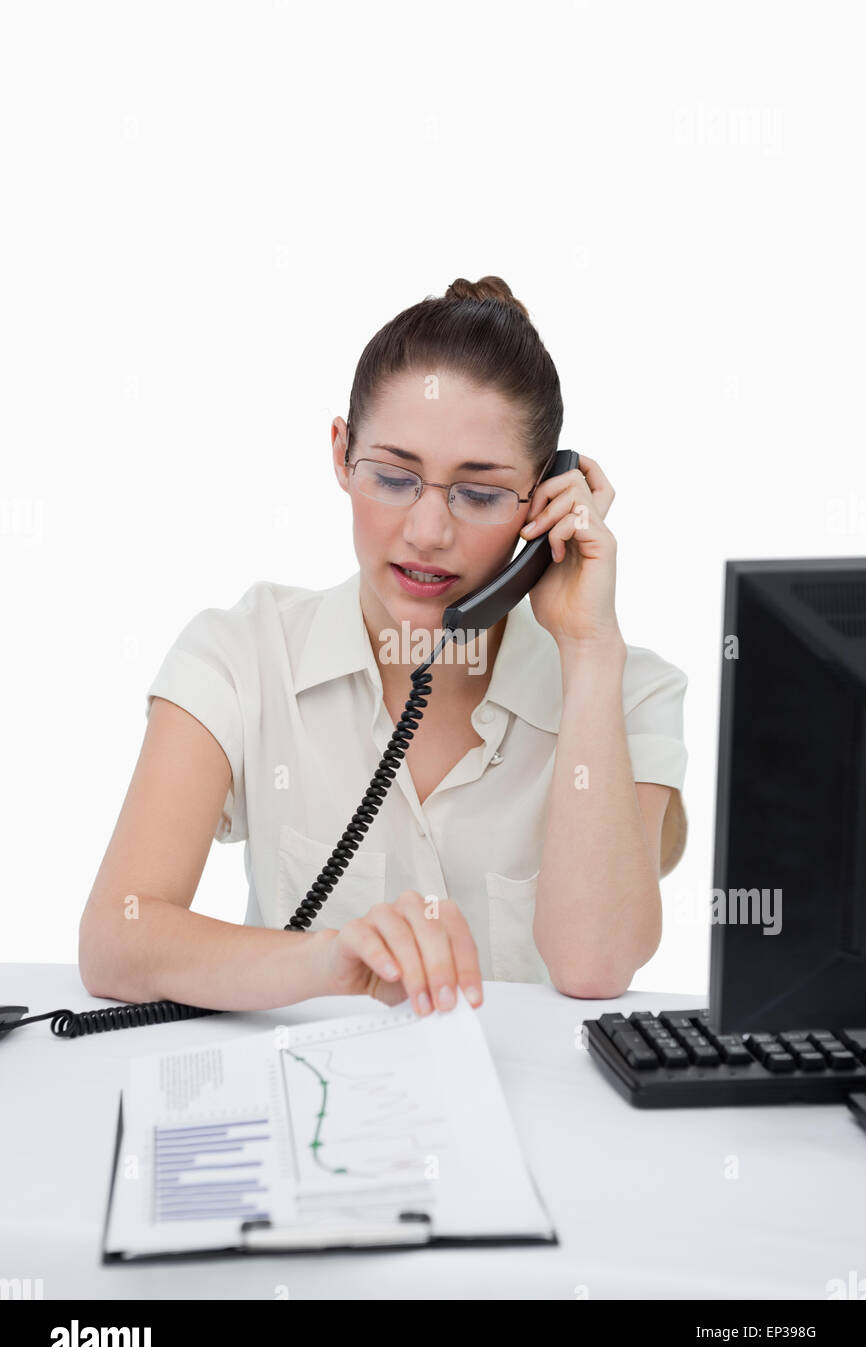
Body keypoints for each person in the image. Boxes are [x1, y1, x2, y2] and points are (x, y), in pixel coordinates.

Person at [79, 275, 688, 1023]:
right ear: (342, 454)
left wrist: (589, 649)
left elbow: (596, 965)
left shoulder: (628, 692)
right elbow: (117, 933)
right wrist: (329, 958)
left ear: (548, 501)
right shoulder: (241, 653)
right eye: (395, 478)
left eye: (482, 493)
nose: (429, 532)